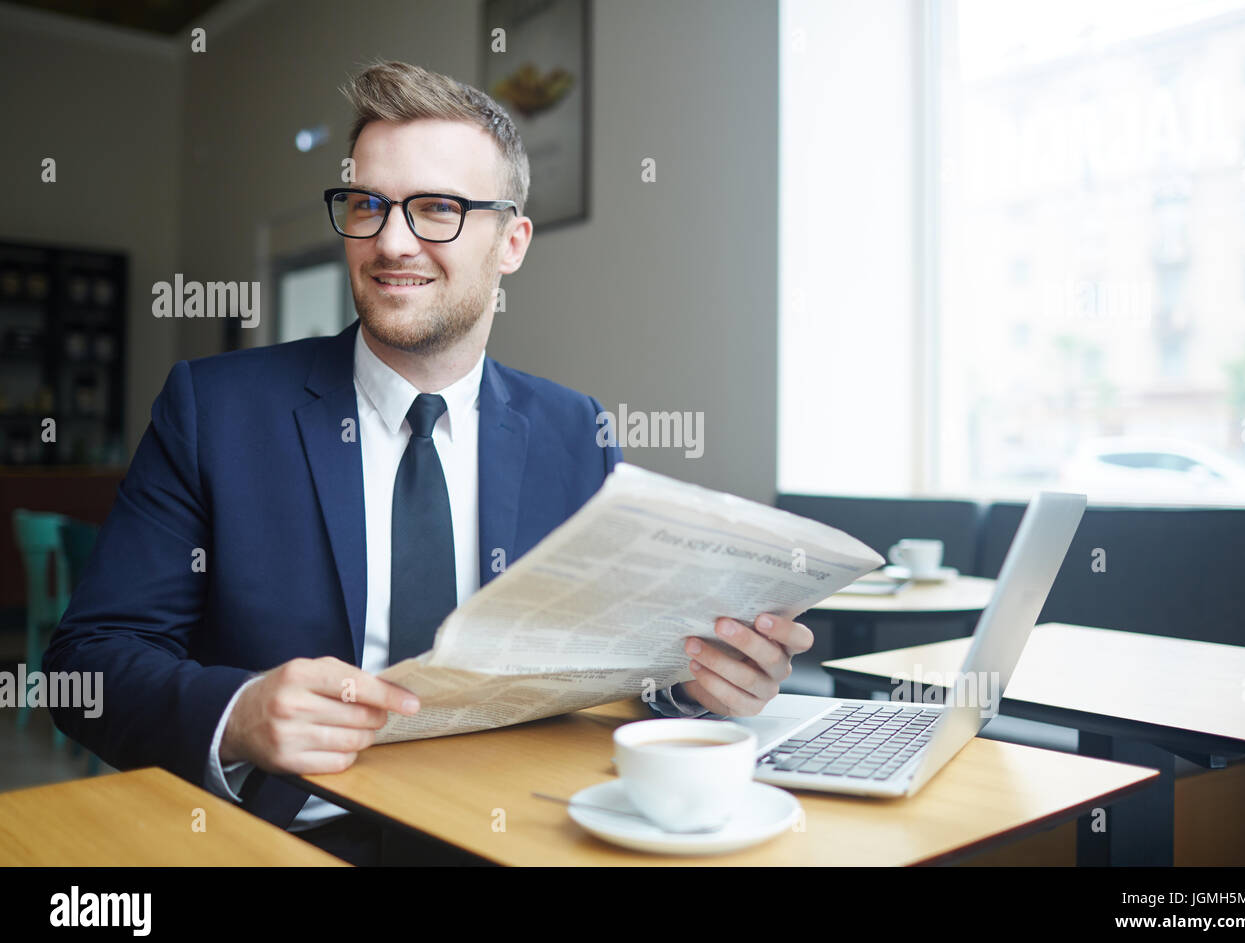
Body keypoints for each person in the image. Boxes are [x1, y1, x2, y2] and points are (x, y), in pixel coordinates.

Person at [45, 61, 813, 865]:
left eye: (437, 208)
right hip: (291, 839)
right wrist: (236, 711)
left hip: (518, 831)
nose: (392, 241)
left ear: (511, 242)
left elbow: (615, 663)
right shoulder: (215, 409)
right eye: (368, 205)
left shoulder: (572, 429)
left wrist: (695, 688)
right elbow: (89, 661)